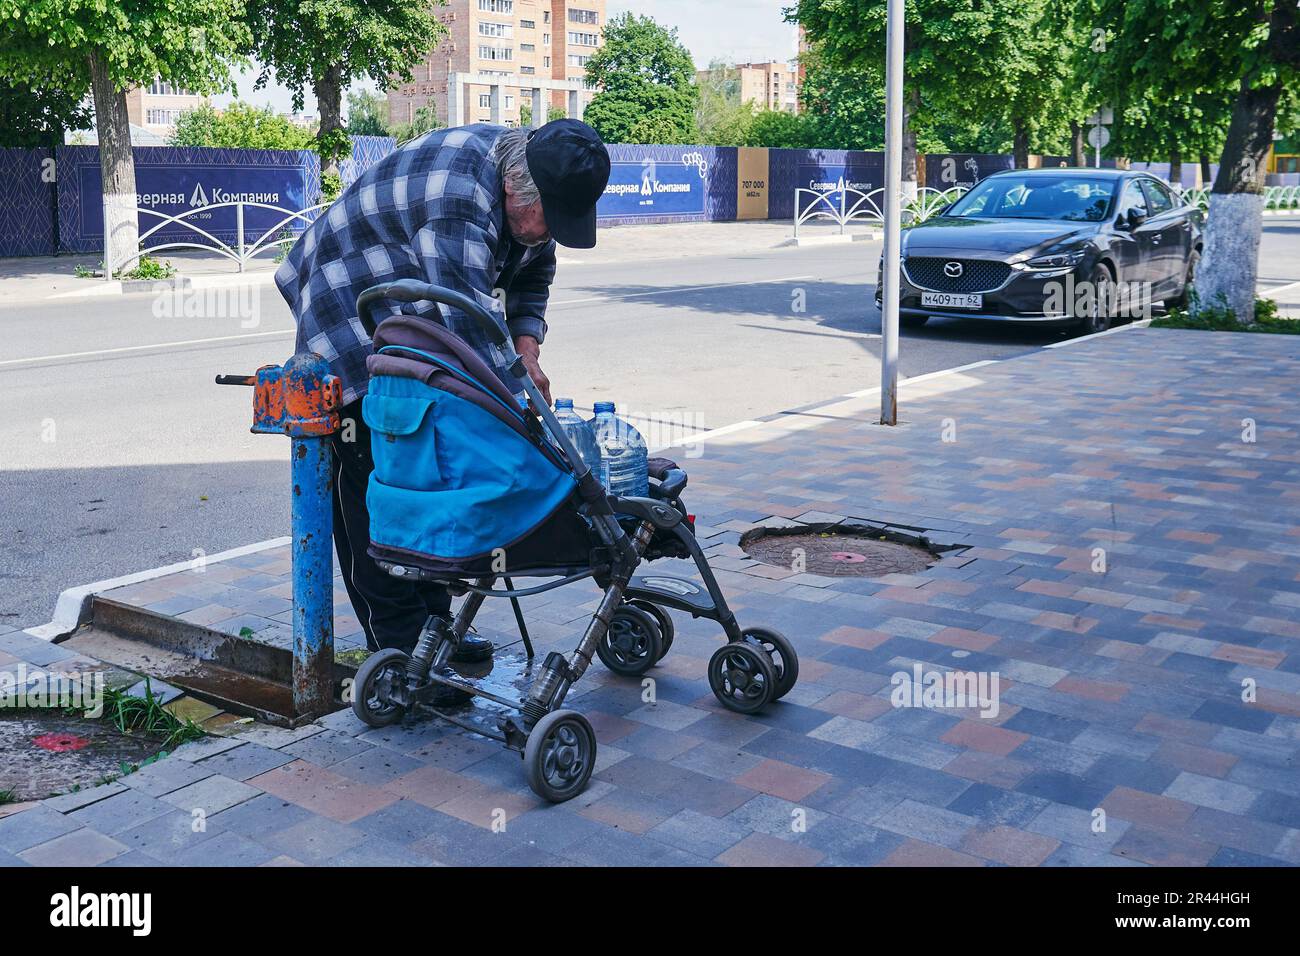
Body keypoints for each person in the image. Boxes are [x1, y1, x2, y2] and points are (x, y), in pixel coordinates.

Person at [275, 119, 611, 680]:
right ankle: (401, 647)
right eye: (549, 218)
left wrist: (528, 349)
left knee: (432, 469)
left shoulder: (534, 171)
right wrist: (525, 413)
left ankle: (437, 629)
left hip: (418, 299)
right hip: (349, 301)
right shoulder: (459, 202)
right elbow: (469, 329)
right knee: (378, 477)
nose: (550, 231)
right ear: (515, 193)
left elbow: (534, 273)